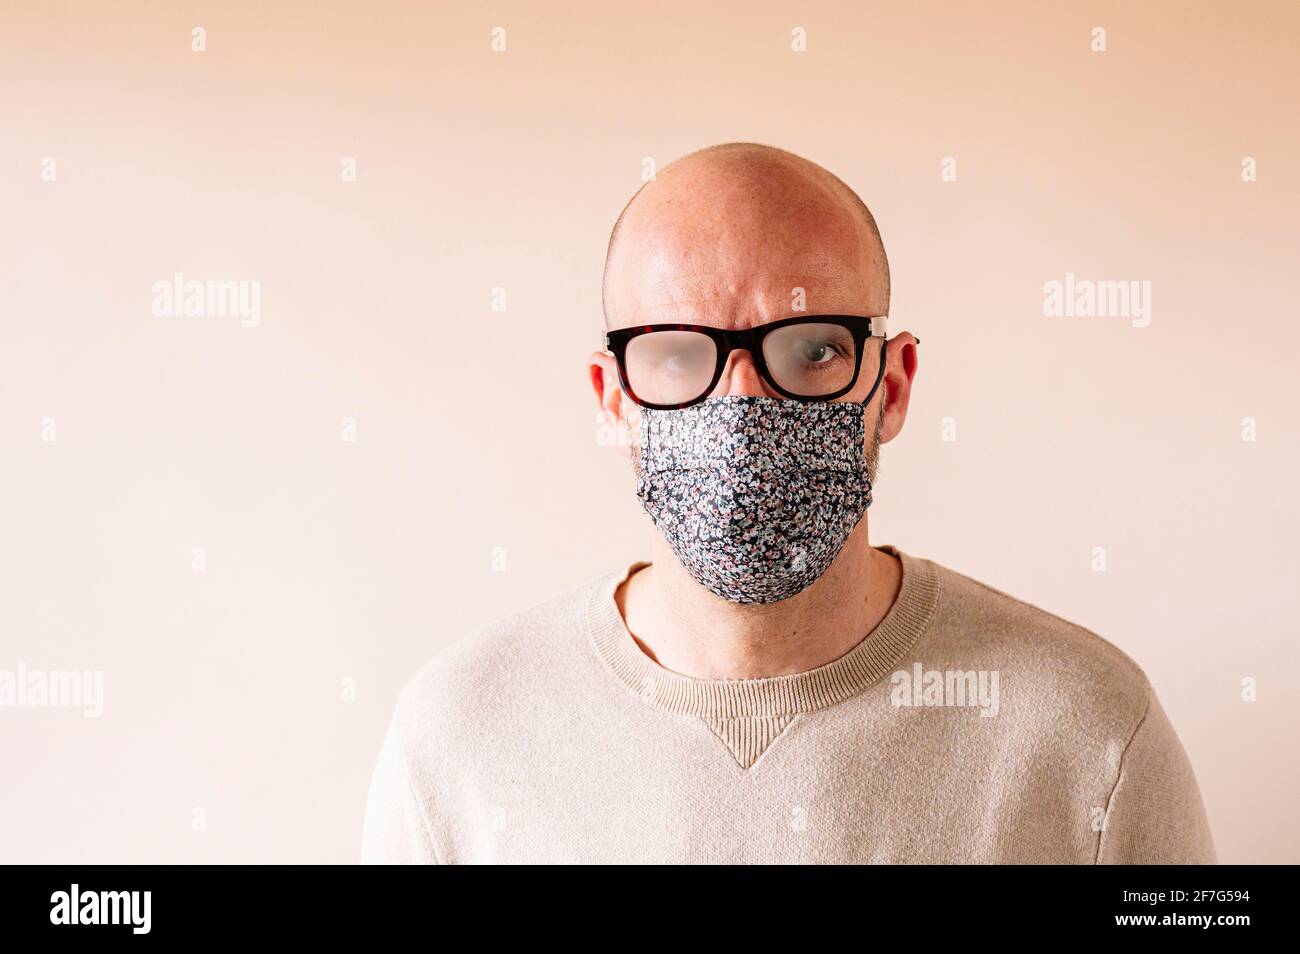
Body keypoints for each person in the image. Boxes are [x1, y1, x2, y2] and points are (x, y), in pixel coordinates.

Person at [361, 142, 1215, 864]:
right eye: (675, 354)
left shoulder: (1088, 728)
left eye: (809, 351)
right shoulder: (458, 733)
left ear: (893, 385)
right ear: (613, 396)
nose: (741, 408)